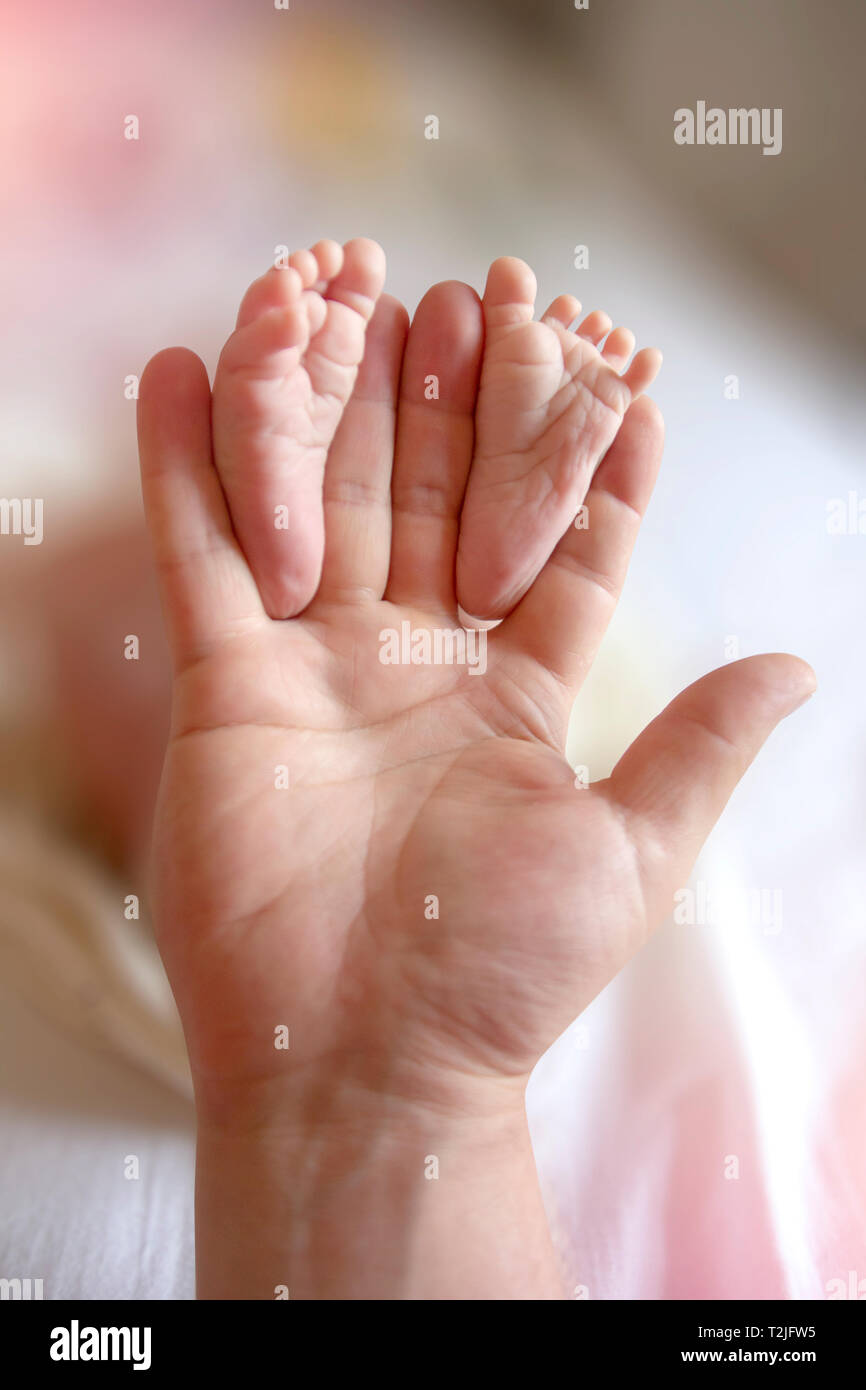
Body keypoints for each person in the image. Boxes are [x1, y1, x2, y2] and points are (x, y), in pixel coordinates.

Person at [136, 237, 815, 1298]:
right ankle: (308, 493)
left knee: (161, 648)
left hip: (417, 691)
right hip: (472, 684)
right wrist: (417, 1084)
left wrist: (389, 1076)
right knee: (209, 653)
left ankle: (279, 494)